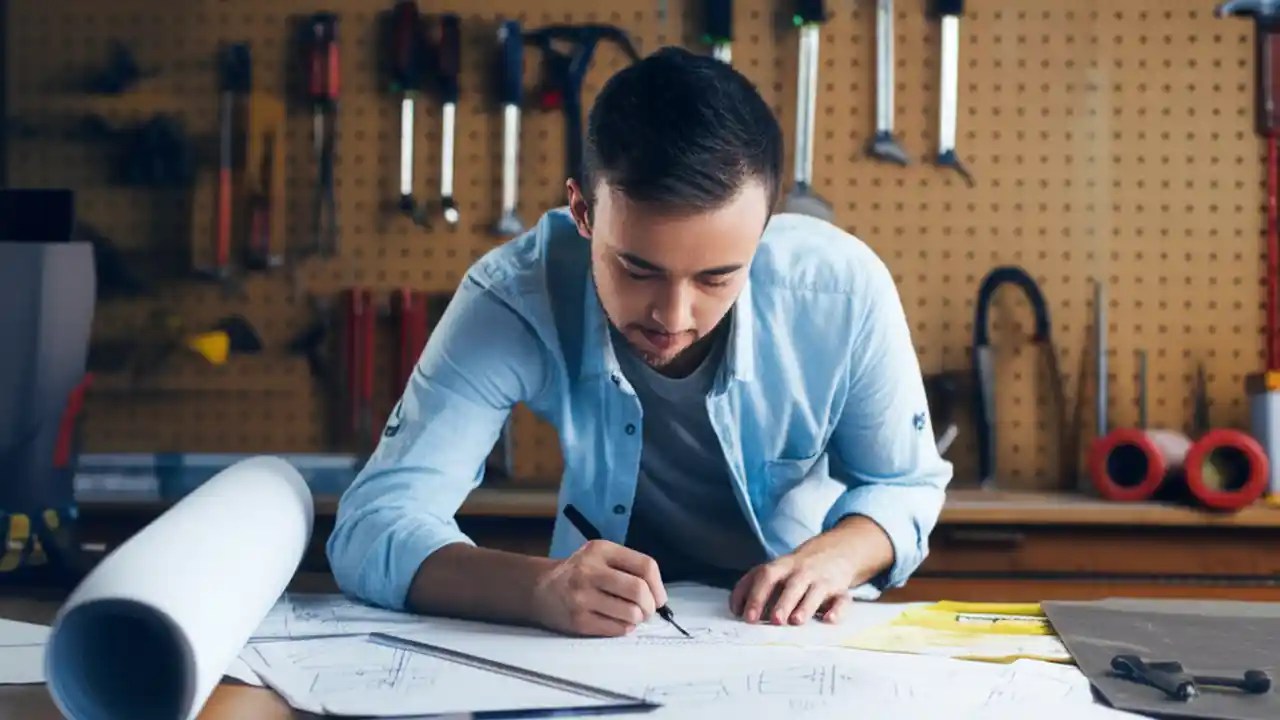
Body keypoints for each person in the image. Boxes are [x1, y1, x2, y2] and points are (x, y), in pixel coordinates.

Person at [326, 46, 952, 638]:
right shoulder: (513, 296)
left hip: (794, 640)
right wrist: (539, 589)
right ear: (582, 212)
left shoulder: (843, 293)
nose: (673, 317)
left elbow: (904, 484)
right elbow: (371, 526)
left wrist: (836, 557)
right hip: (597, 643)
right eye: (638, 268)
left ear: (765, 228)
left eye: (717, 277)